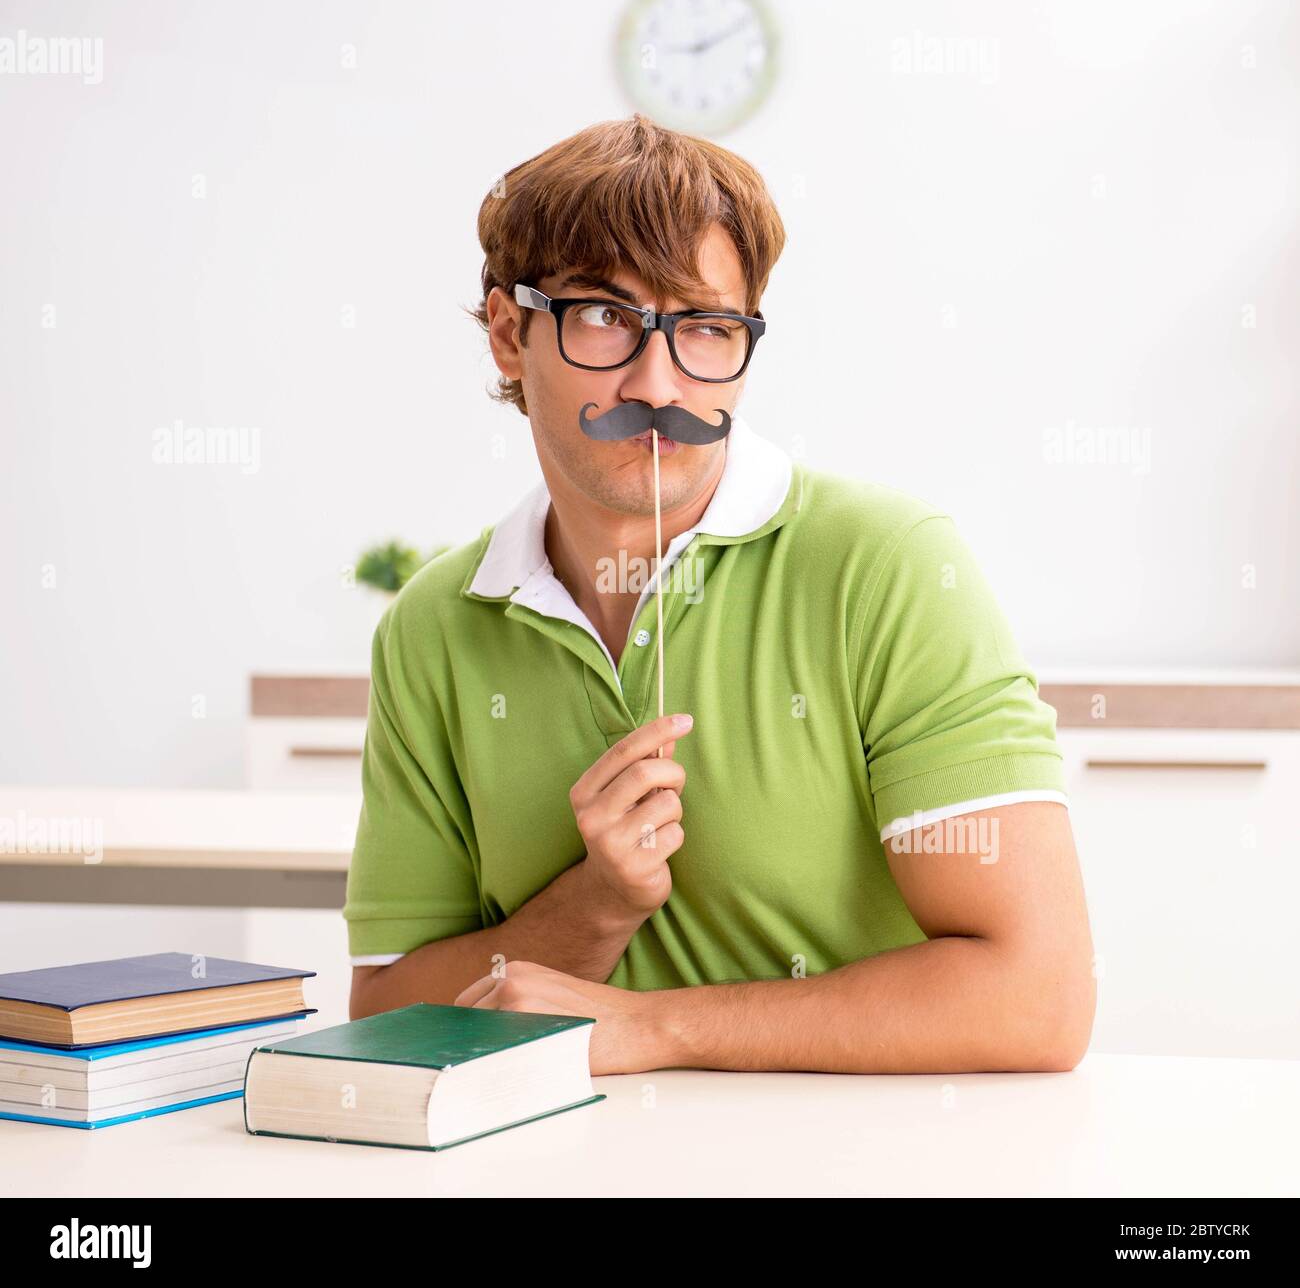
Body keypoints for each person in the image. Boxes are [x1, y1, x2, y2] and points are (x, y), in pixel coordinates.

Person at [344, 113, 1095, 1075]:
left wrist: (655, 1030)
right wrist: (594, 906)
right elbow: (385, 1015)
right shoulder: (434, 628)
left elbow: (1038, 998)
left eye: (703, 328)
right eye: (607, 318)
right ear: (507, 332)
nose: (658, 381)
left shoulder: (888, 567)